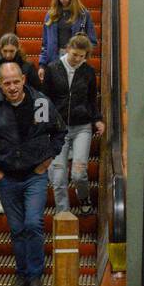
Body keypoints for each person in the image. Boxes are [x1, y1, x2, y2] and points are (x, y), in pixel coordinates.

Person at [0, 60, 66, 286]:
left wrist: (47, 160)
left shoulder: (40, 103)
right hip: (6, 178)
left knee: (33, 224)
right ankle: (22, 274)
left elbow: (58, 132)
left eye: (16, 81)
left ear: (24, 80)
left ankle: (36, 278)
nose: (13, 87)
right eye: (7, 83)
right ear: (0, 84)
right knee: (17, 230)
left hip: (33, 176)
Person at [41, 34, 104, 213]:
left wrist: (97, 119)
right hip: (58, 130)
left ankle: (84, 198)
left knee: (78, 173)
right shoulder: (53, 69)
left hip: (82, 128)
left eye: (81, 56)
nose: (77, 59)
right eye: (74, 54)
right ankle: (63, 214)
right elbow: (44, 99)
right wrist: (42, 124)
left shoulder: (88, 72)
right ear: (68, 49)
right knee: (59, 177)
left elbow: (92, 100)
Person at [38, 0, 97, 81]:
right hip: (55, 59)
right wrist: (42, 65)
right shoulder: (50, 15)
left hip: (76, 58)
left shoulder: (83, 15)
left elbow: (92, 41)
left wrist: (82, 55)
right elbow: (45, 44)